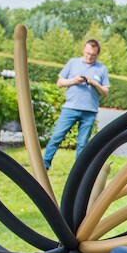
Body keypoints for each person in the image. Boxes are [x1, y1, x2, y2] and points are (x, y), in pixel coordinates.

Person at [42, 39, 110, 169]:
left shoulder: (101, 69)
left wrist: (95, 84)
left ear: (97, 54)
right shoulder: (73, 63)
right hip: (70, 108)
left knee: (83, 144)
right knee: (56, 137)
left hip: (89, 112)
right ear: (83, 50)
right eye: (87, 53)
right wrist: (74, 81)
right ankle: (44, 165)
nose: (89, 56)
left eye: (93, 55)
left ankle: (78, 171)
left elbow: (105, 92)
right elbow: (59, 83)